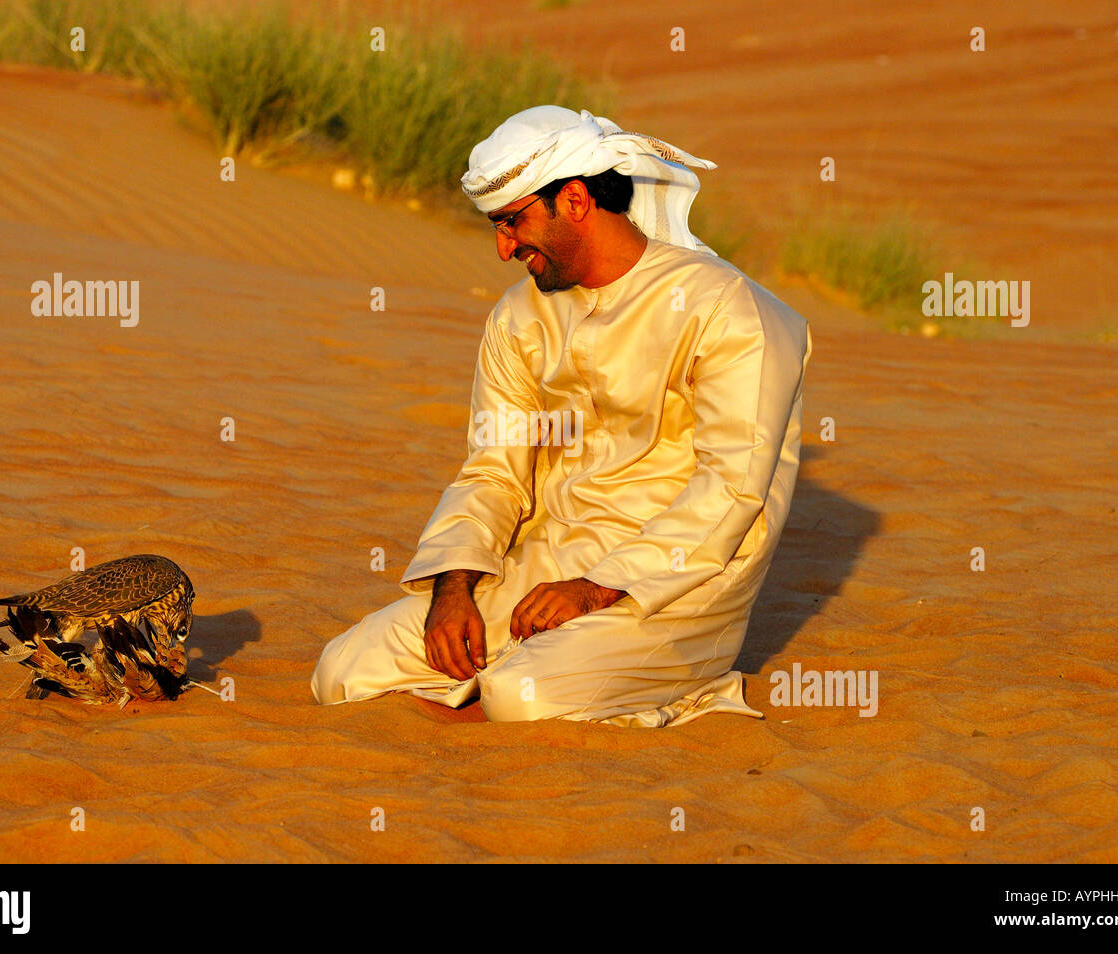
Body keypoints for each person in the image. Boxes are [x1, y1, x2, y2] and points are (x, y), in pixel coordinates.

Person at [312, 106, 812, 727]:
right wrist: (453, 587)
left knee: (521, 698)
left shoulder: (728, 309)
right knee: (342, 674)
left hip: (675, 589)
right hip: (543, 569)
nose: (503, 249)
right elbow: (494, 471)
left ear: (574, 201)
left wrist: (598, 588)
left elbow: (731, 488)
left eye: (512, 222)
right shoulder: (518, 317)